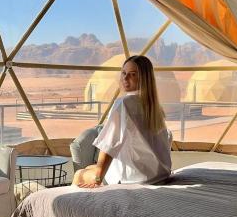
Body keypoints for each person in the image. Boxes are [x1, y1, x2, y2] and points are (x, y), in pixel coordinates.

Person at [73, 55, 172, 188]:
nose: (125, 78)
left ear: (144, 78)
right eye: (124, 73)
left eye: (133, 74)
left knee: (79, 174)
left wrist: (98, 177)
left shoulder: (124, 103)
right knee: (90, 167)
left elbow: (110, 144)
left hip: (135, 178)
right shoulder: (154, 106)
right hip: (159, 174)